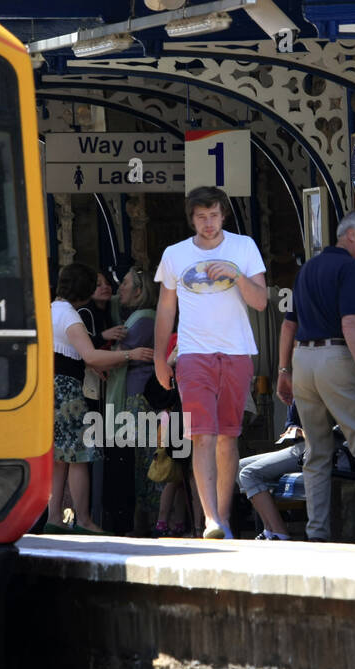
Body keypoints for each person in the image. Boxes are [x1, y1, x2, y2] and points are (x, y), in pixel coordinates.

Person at [152, 185, 267, 539]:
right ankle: (210, 519)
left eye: (214, 215)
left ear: (223, 215)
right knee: (202, 435)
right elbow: (165, 309)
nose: (209, 223)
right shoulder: (174, 254)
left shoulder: (244, 246)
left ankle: (224, 516)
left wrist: (235, 274)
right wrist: (160, 357)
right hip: (192, 355)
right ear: (192, 219)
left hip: (235, 352)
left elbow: (261, 301)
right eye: (201, 217)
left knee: (227, 438)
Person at [278, 210, 355, 545]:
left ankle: (317, 533)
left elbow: (289, 324)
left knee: (316, 451)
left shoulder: (307, 269)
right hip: (335, 357)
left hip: (303, 361)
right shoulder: (351, 268)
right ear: (351, 235)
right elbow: (350, 323)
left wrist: (283, 372)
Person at [48, 262, 155, 534]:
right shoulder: (71, 317)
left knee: (59, 459)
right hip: (67, 391)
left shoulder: (49, 310)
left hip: (48, 388)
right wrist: (131, 355)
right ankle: (84, 520)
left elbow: (67, 355)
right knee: (79, 457)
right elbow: (91, 355)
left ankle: (54, 518)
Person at [103, 265, 161, 533]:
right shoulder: (138, 316)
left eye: (125, 283)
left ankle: (147, 521)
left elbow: (116, 355)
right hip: (132, 394)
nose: (119, 288)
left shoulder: (143, 319)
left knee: (140, 460)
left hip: (136, 398)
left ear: (139, 291)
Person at [237, 403, 305, 540]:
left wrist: (303, 432)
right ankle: (269, 529)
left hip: (316, 448)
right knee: (239, 466)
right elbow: (291, 422)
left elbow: (325, 431)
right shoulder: (296, 389)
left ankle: (280, 533)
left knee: (249, 473)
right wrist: (293, 429)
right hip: (299, 446)